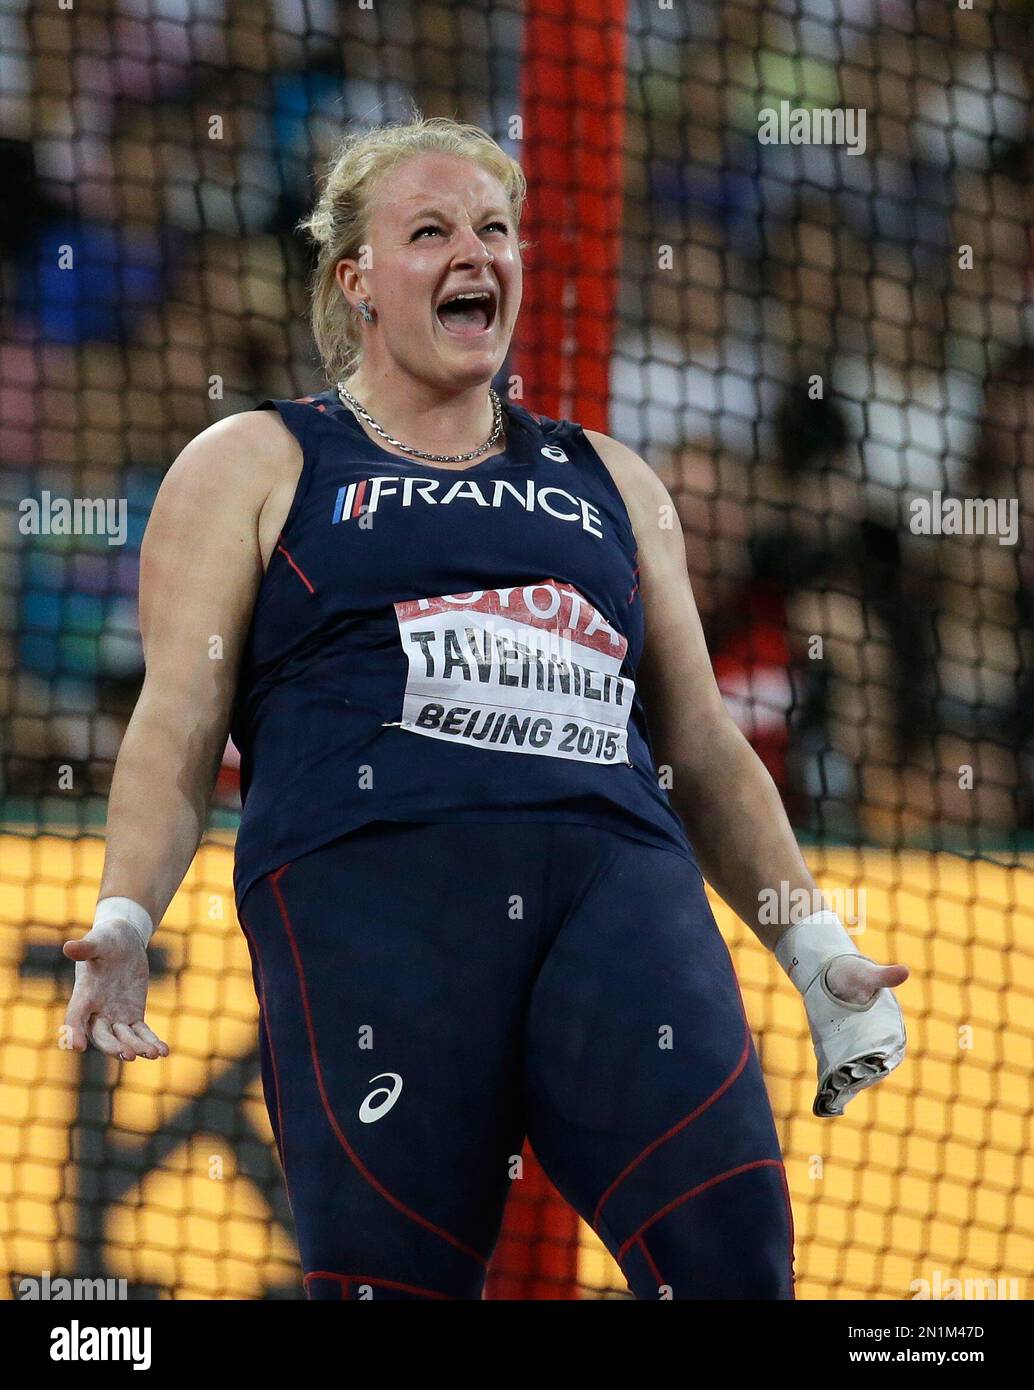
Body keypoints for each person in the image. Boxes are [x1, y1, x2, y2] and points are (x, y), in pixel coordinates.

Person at [61, 115, 908, 1301]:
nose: (477, 253)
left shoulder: (610, 478)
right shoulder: (257, 460)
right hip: (374, 908)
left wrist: (812, 947)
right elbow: (178, 723)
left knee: (732, 1271)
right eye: (431, 231)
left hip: (614, 894)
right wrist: (126, 910)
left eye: (495, 229)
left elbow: (701, 743)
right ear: (355, 280)